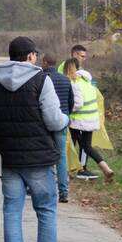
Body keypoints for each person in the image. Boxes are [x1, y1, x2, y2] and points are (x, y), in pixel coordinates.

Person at [0, 36, 67, 242]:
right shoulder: (42, 80)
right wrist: (65, 121)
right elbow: (53, 120)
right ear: (30, 56)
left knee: (11, 212)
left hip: (6, 157)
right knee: (46, 211)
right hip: (39, 158)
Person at [66, 58, 114, 182]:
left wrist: (68, 110)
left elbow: (78, 104)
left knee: (70, 144)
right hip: (91, 119)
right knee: (87, 146)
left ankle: (71, 171)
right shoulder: (87, 82)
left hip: (78, 120)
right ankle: (105, 167)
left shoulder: (75, 83)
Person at [40, 55, 77, 204]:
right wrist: (66, 115)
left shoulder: (40, 79)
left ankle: (45, 190)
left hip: (44, 123)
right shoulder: (65, 79)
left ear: (44, 63)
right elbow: (71, 102)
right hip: (61, 122)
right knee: (61, 156)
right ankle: (64, 192)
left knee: (44, 156)